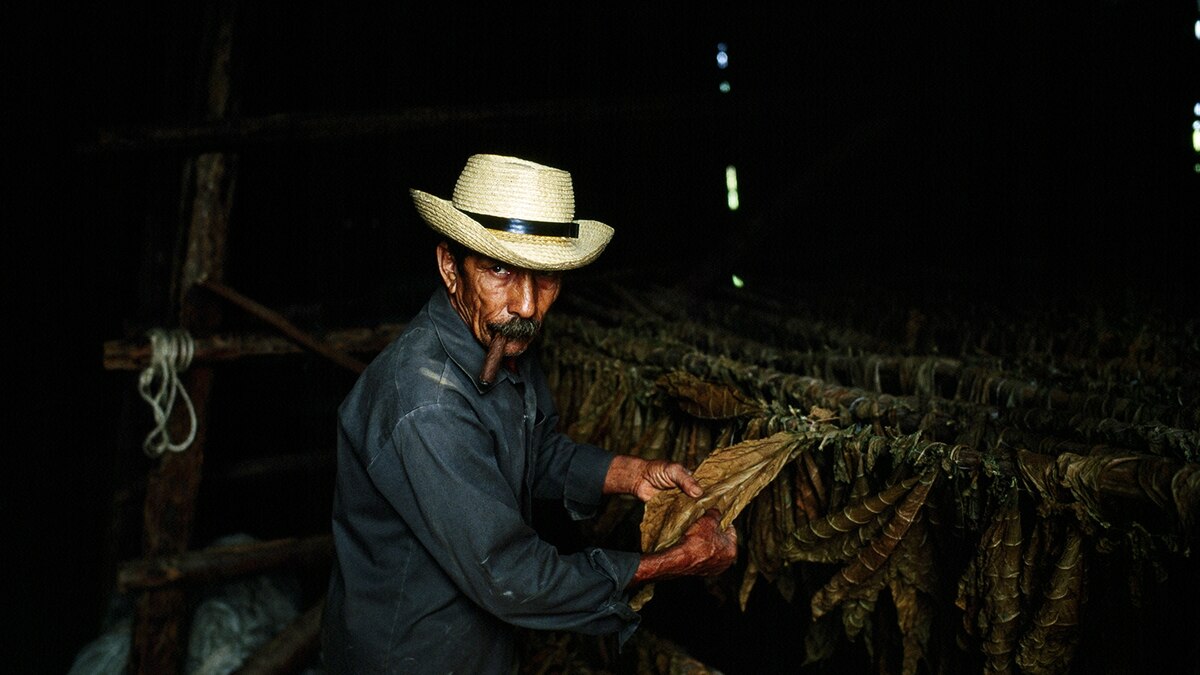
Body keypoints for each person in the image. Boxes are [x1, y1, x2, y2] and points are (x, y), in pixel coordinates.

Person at [320, 153, 738, 674]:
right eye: (499, 269)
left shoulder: (502, 342)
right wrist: (672, 562)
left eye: (545, 278)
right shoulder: (428, 404)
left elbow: (530, 452)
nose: (526, 304)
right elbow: (510, 576)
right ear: (450, 267)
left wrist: (632, 474)